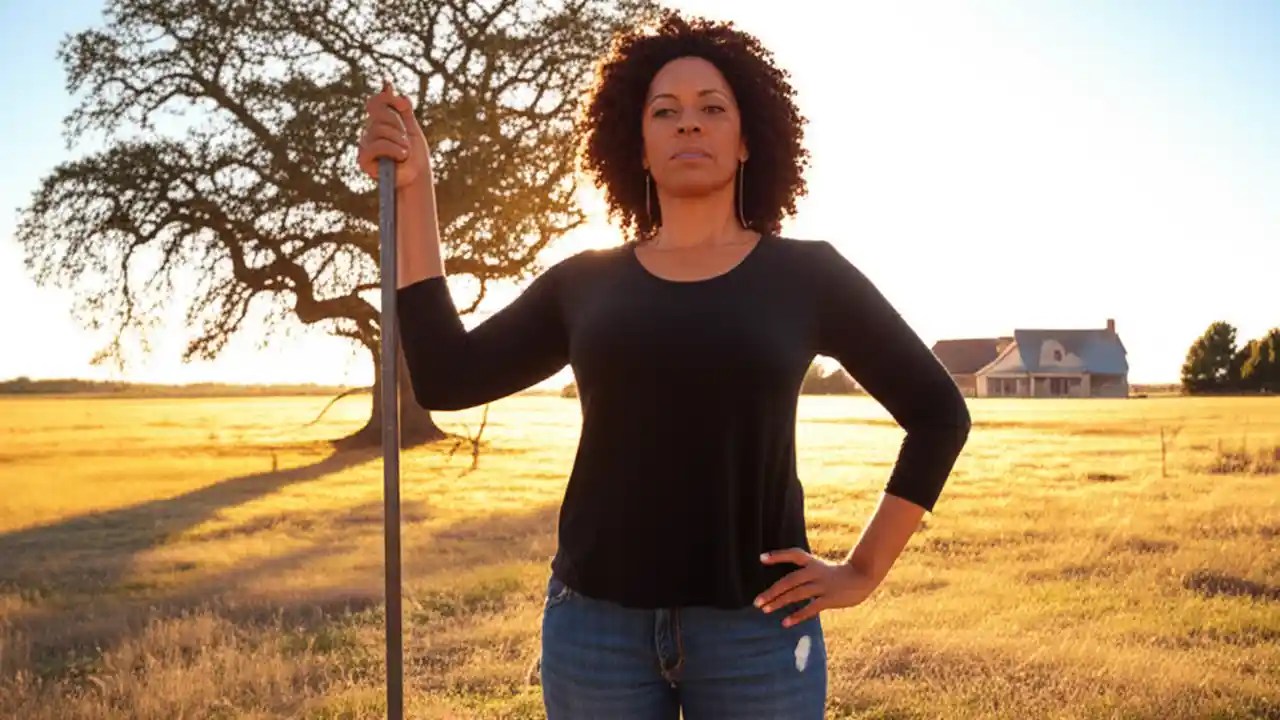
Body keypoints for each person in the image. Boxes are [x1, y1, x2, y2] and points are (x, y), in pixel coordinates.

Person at [357, 11, 971, 720]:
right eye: (665, 111)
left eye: (712, 109)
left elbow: (938, 414)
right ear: (638, 146)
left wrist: (863, 571)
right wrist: (414, 189)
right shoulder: (585, 282)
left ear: (746, 141)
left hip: (757, 633)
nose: (689, 125)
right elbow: (447, 376)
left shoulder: (809, 277)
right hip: (595, 634)